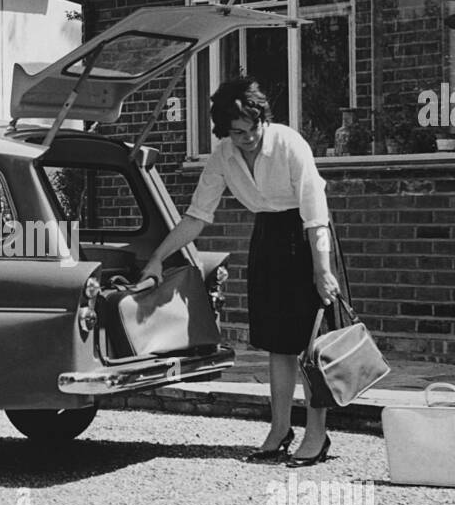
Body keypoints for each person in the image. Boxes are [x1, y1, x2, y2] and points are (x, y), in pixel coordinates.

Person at [140, 76, 341, 465]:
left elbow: (316, 216)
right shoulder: (222, 156)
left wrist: (322, 270)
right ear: (224, 131)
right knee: (277, 344)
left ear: (262, 119)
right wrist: (158, 258)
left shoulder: (289, 143)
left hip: (306, 241)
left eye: (252, 129)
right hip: (267, 241)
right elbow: (197, 216)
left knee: (313, 346)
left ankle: (318, 436)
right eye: (237, 133)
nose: (246, 138)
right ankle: (279, 429)